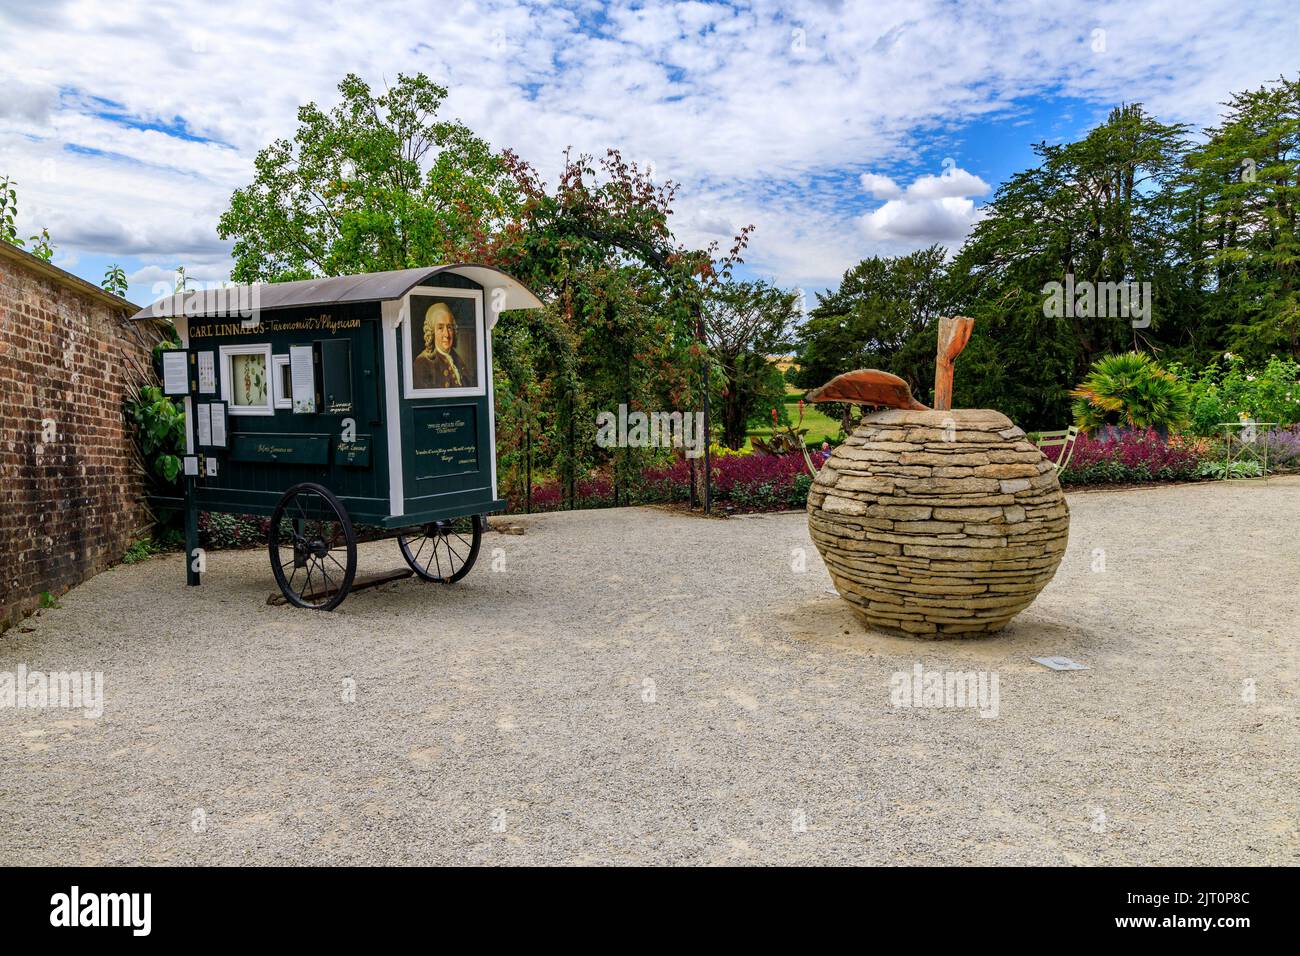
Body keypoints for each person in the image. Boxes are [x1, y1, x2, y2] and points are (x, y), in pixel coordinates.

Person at [413, 302, 470, 389]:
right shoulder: (422, 363)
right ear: (432, 332)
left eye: (449, 327)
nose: (446, 334)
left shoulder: (458, 360)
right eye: (440, 328)